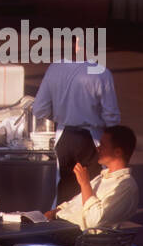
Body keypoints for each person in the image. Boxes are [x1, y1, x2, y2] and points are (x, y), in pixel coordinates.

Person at [31, 44, 121, 204]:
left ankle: (61, 225)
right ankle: (89, 225)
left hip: (63, 136)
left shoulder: (54, 69)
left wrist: (60, 116)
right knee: (93, 187)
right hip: (92, 139)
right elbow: (112, 117)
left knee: (64, 187)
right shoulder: (102, 73)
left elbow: (39, 109)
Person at [46, 126, 138, 230]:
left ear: (117, 152)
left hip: (78, 236)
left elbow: (94, 221)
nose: (97, 148)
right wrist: (54, 212)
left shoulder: (126, 186)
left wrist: (85, 184)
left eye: (102, 146)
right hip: (61, 224)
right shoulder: (102, 177)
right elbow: (76, 202)